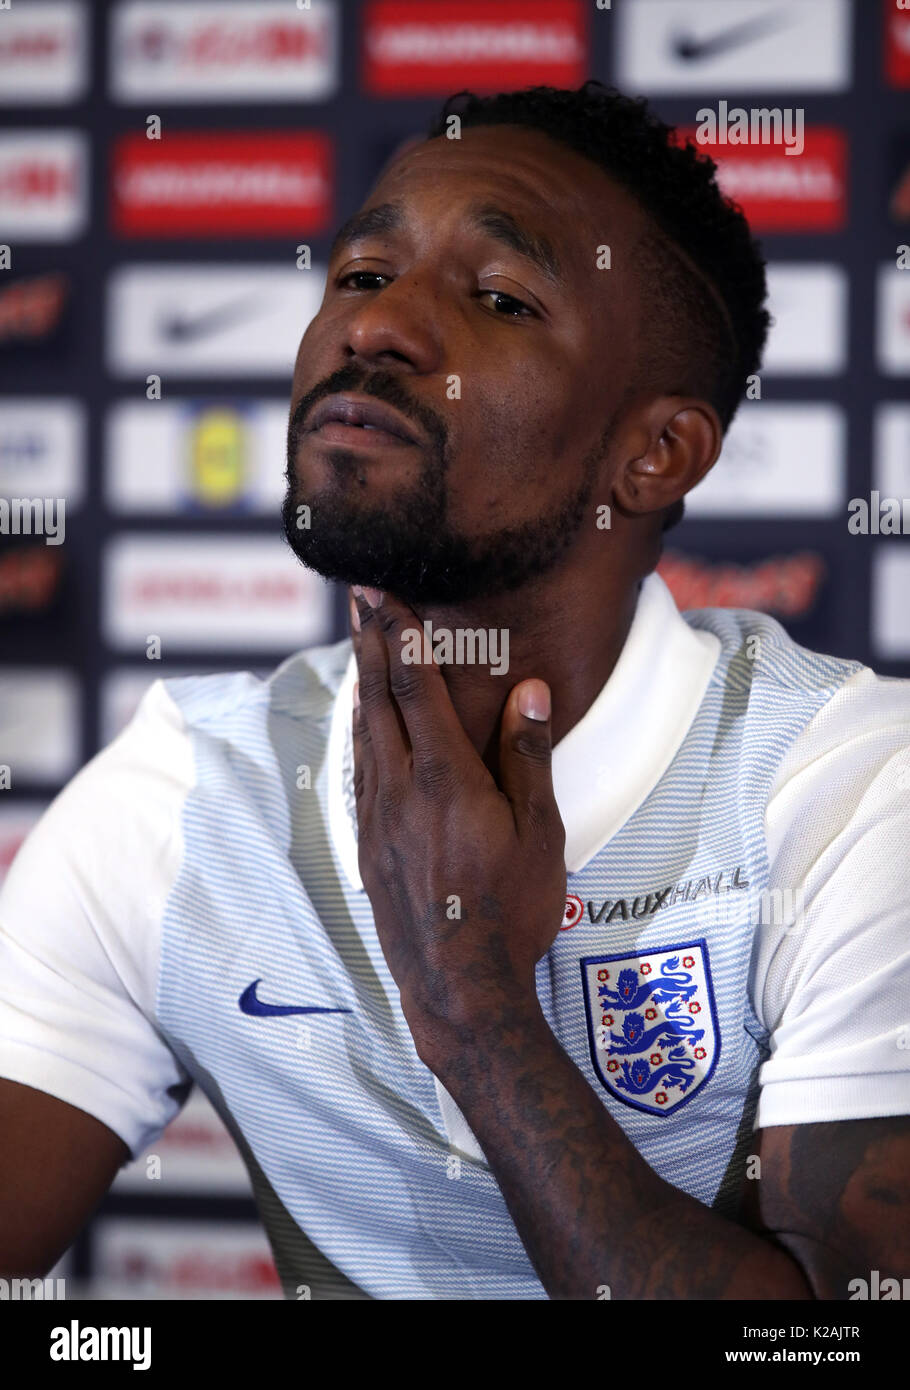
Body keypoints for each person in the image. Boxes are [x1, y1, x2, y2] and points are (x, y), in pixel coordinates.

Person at [1, 82, 907, 1300]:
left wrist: (473, 1001)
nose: (378, 328)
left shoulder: (849, 793)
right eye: (363, 275)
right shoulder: (184, 796)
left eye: (500, 298)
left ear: (655, 453)